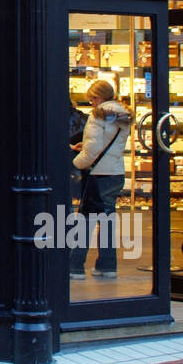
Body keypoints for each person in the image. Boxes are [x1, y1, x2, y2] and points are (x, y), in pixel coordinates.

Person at [69, 79, 132, 281]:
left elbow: (94, 149)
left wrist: (77, 163)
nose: (91, 103)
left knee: (85, 221)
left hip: (97, 175)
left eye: (92, 99)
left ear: (99, 97)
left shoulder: (97, 116)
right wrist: (85, 146)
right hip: (115, 173)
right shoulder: (122, 115)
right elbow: (108, 144)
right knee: (107, 221)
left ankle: (75, 266)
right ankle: (107, 266)